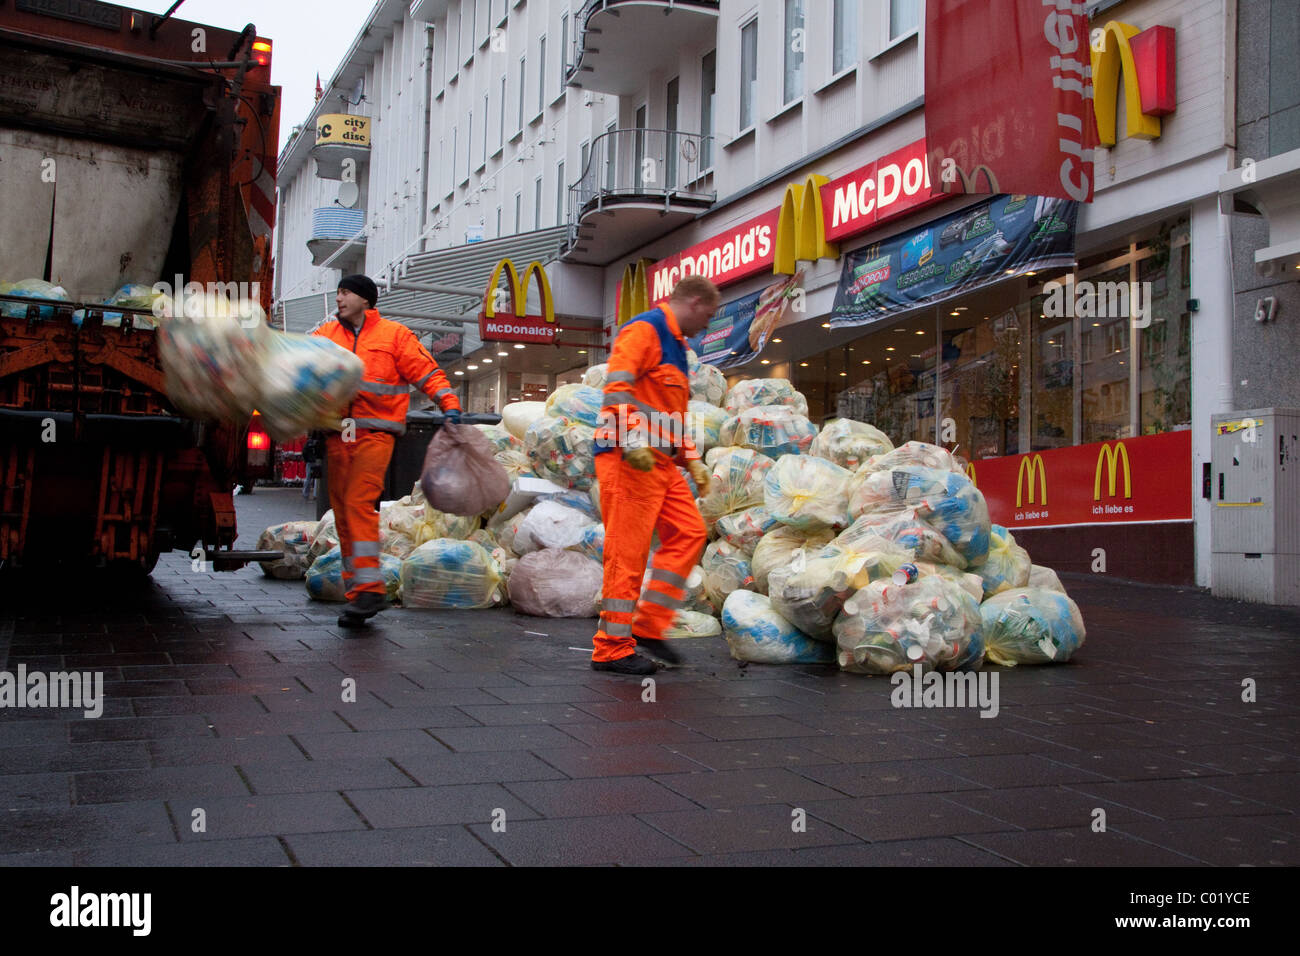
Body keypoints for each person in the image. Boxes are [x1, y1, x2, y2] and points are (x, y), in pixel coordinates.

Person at [312, 274, 462, 629]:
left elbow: (426, 371)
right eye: (338, 292)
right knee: (343, 513)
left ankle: (369, 590)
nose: (339, 298)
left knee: (357, 504)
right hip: (337, 437)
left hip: (374, 435)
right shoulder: (325, 338)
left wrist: (449, 404)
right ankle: (359, 593)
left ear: (366, 299)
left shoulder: (393, 335)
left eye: (346, 292)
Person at [590, 275, 720, 674]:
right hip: (629, 458)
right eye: (709, 315)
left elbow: (670, 416)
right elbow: (617, 391)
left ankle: (648, 627)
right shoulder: (645, 330)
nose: (709, 325)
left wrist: (692, 458)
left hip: (659, 462)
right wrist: (630, 442)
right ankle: (611, 648)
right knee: (627, 553)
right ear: (695, 302)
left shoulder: (678, 348)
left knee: (690, 533)